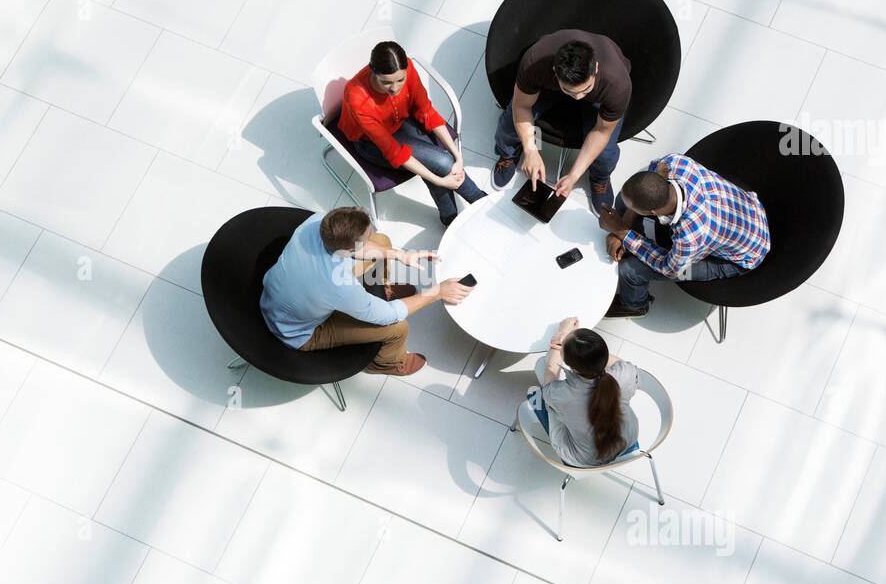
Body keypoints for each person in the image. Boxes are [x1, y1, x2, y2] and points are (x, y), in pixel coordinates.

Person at [259, 206, 472, 377]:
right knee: (398, 328)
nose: (371, 235)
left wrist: (400, 255)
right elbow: (388, 315)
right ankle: (387, 363)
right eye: (365, 235)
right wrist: (438, 292)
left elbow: (362, 247)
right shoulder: (339, 286)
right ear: (350, 250)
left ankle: (382, 290)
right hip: (298, 332)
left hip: (285, 292)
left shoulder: (316, 221)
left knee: (382, 243)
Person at [596, 153, 771, 319]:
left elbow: (670, 269)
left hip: (740, 258)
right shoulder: (675, 163)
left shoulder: (690, 235)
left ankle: (635, 306)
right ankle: (632, 244)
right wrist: (624, 228)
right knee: (623, 200)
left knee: (630, 270)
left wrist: (622, 233)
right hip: (746, 212)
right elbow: (648, 176)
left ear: (652, 212)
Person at [339, 40, 486, 226]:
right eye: (386, 82)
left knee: (444, 161)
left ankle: (451, 218)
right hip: (370, 142)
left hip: (399, 120)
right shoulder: (357, 98)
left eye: (400, 80)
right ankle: (481, 202)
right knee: (442, 162)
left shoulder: (408, 69)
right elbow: (395, 153)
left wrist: (458, 155)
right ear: (373, 71)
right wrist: (441, 181)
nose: (395, 88)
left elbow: (427, 112)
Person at [491, 29, 631, 216]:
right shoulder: (534, 62)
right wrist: (531, 151)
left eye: (585, 89)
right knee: (509, 123)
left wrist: (573, 176)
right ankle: (508, 154)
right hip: (549, 88)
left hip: (599, 96)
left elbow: (601, 132)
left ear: (595, 68)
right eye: (571, 92)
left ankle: (600, 178)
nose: (579, 97)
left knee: (605, 153)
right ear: (555, 72)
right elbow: (521, 107)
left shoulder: (616, 84)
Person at [525, 318, 640, 467]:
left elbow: (550, 375)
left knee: (537, 389)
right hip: (626, 439)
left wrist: (560, 338)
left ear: (572, 368)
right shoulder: (625, 374)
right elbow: (614, 362)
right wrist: (574, 342)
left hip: (583, 459)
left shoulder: (563, 395)